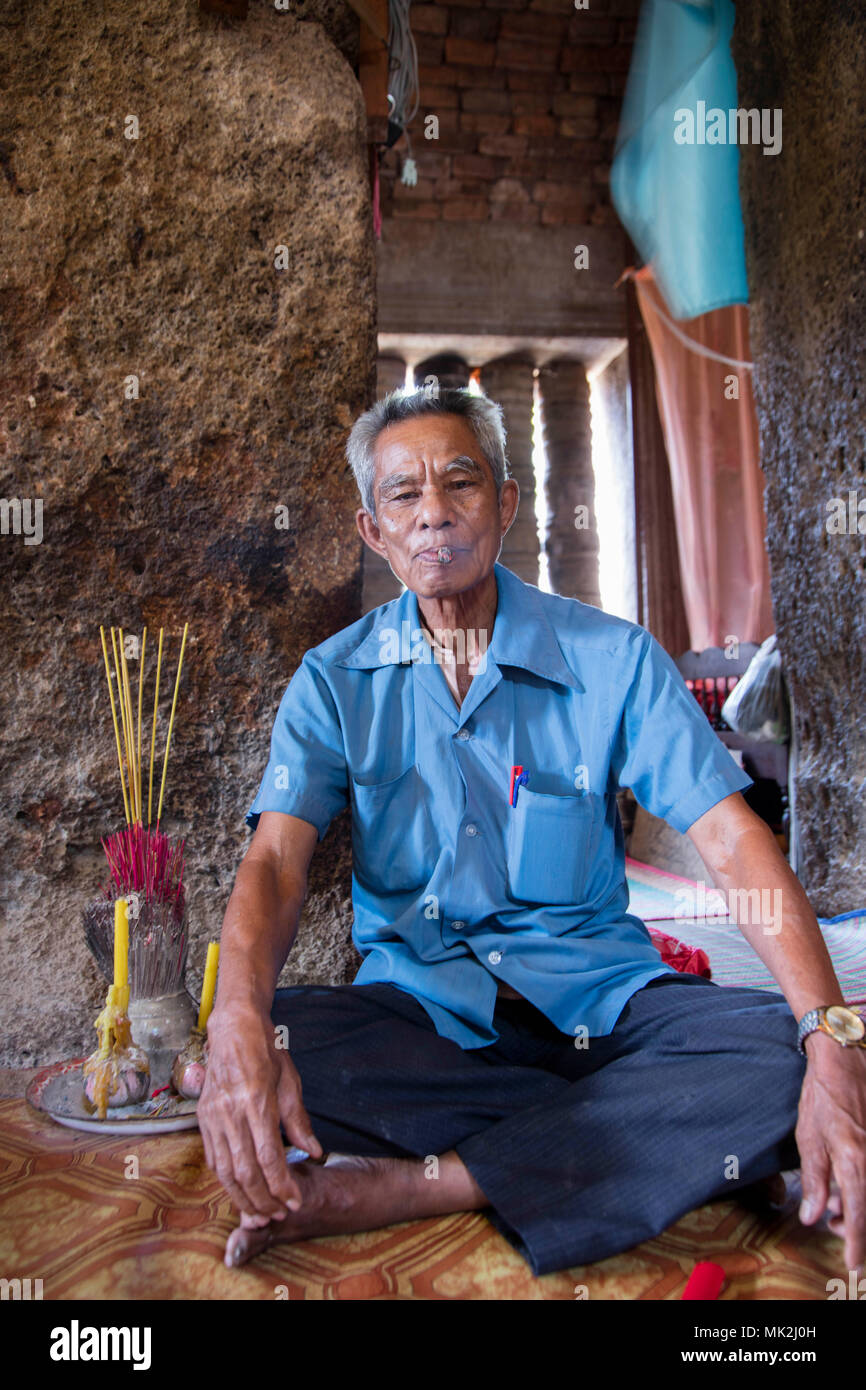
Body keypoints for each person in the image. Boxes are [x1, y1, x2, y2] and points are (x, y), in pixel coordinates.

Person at [198, 386, 866, 1278]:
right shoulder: (333, 681)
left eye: (461, 483)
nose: (434, 512)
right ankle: (632, 1138)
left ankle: (414, 1185)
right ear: (375, 531)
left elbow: (733, 841)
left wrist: (829, 1035)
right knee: (242, 1056)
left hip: (606, 1008)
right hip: (426, 1020)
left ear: (505, 505)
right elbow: (277, 864)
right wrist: (238, 1017)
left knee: (785, 1056)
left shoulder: (613, 659)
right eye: (405, 495)